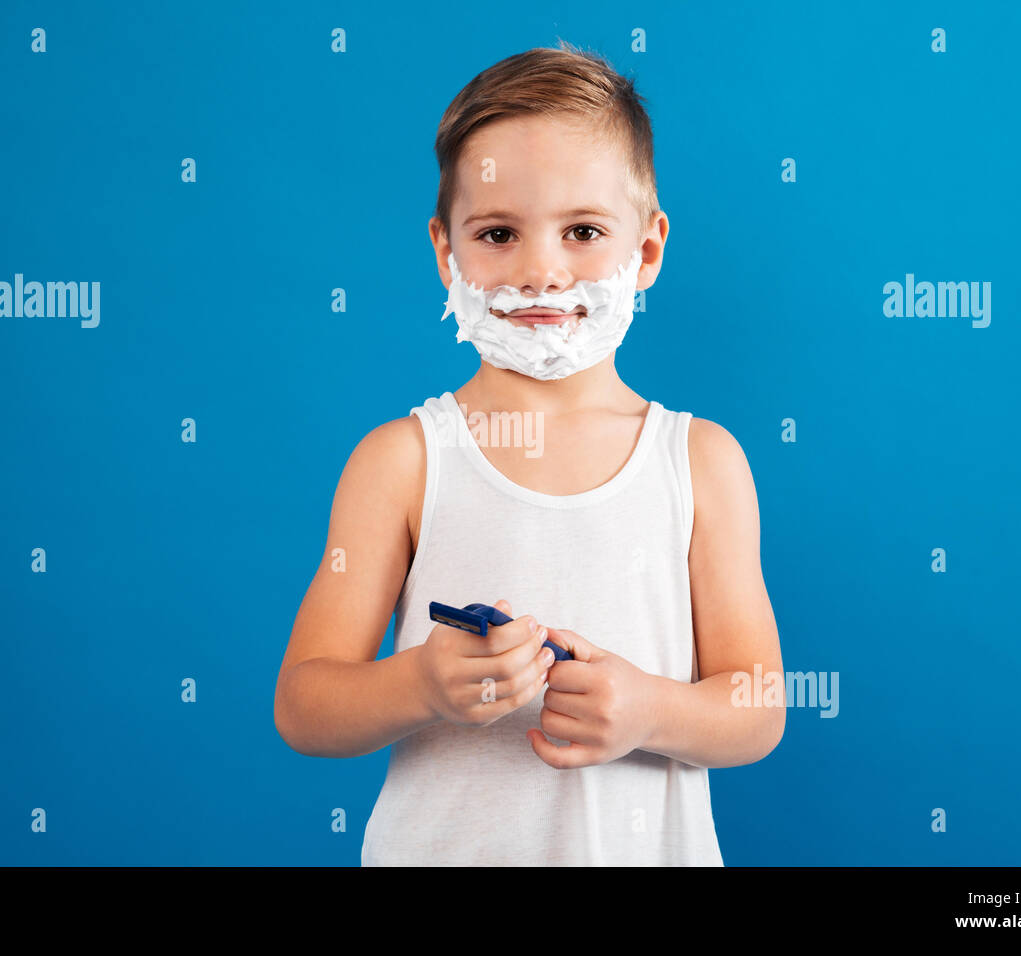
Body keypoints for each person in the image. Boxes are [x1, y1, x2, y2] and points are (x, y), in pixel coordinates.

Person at [274, 40, 785, 866]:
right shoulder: (401, 462)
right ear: (447, 252)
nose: (542, 272)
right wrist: (418, 683)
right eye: (499, 233)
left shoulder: (699, 463)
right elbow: (303, 704)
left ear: (646, 252)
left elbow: (759, 708)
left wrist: (650, 711)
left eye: (583, 231)